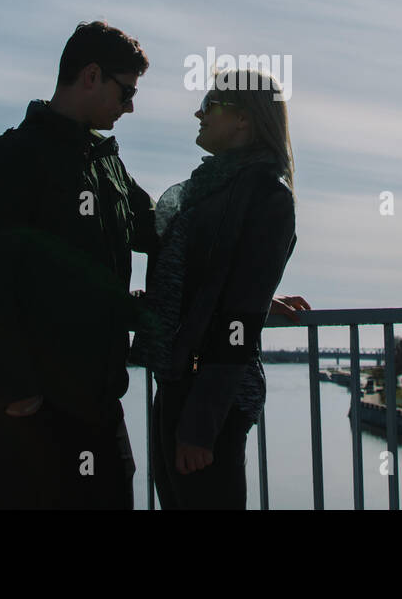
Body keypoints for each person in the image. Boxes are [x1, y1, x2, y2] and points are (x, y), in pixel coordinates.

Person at [0, 21, 157, 509]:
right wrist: (19, 392)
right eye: (126, 91)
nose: (130, 105)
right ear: (91, 75)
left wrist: (249, 295)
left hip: (97, 408)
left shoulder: (108, 163)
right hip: (26, 418)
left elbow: (161, 230)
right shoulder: (10, 160)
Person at [131, 67, 307, 509]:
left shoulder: (268, 196)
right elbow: (207, 284)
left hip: (210, 404)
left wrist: (200, 426)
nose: (198, 113)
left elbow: (238, 322)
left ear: (243, 118)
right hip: (177, 385)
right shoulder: (207, 190)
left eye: (209, 105)